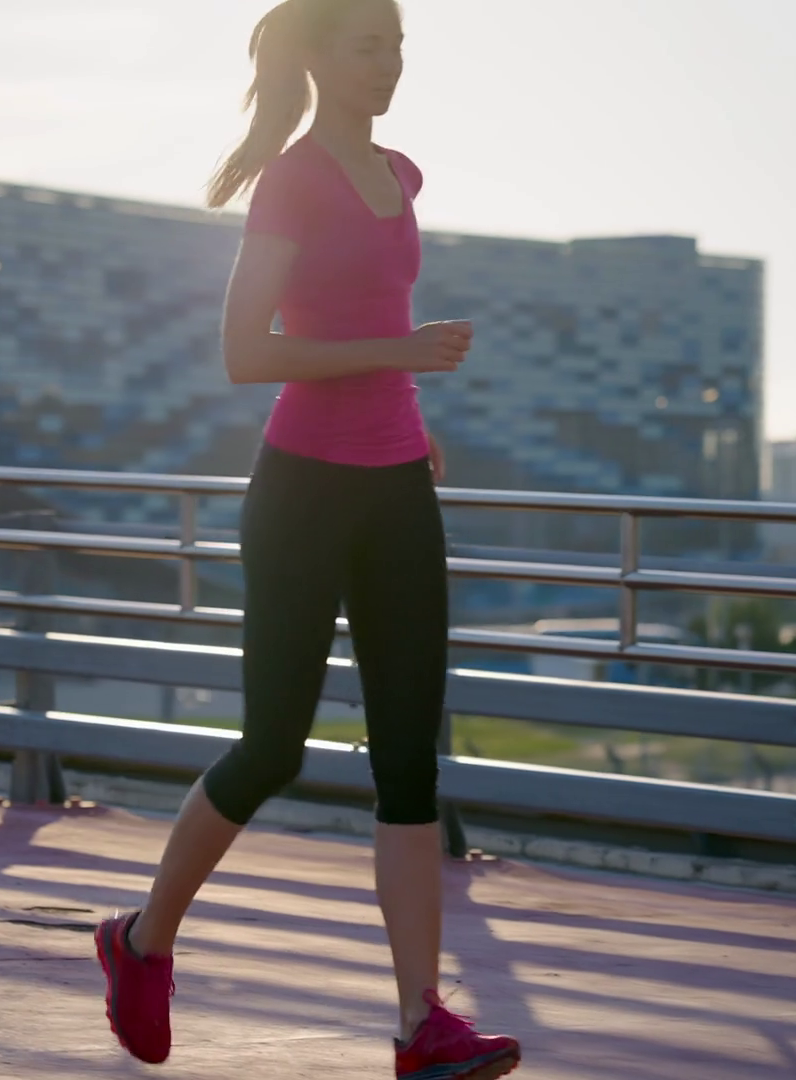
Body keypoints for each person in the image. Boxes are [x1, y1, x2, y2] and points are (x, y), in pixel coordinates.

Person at [92, 2, 522, 1077]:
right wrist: (404, 350)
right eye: (369, 46)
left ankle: (423, 1022)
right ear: (319, 57)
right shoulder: (292, 180)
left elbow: (370, 330)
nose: (391, 66)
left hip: (394, 490)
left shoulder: (402, 173)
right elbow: (246, 350)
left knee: (409, 762)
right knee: (272, 746)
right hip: (301, 495)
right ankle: (141, 943)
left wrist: (409, 425)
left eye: (400, 48)